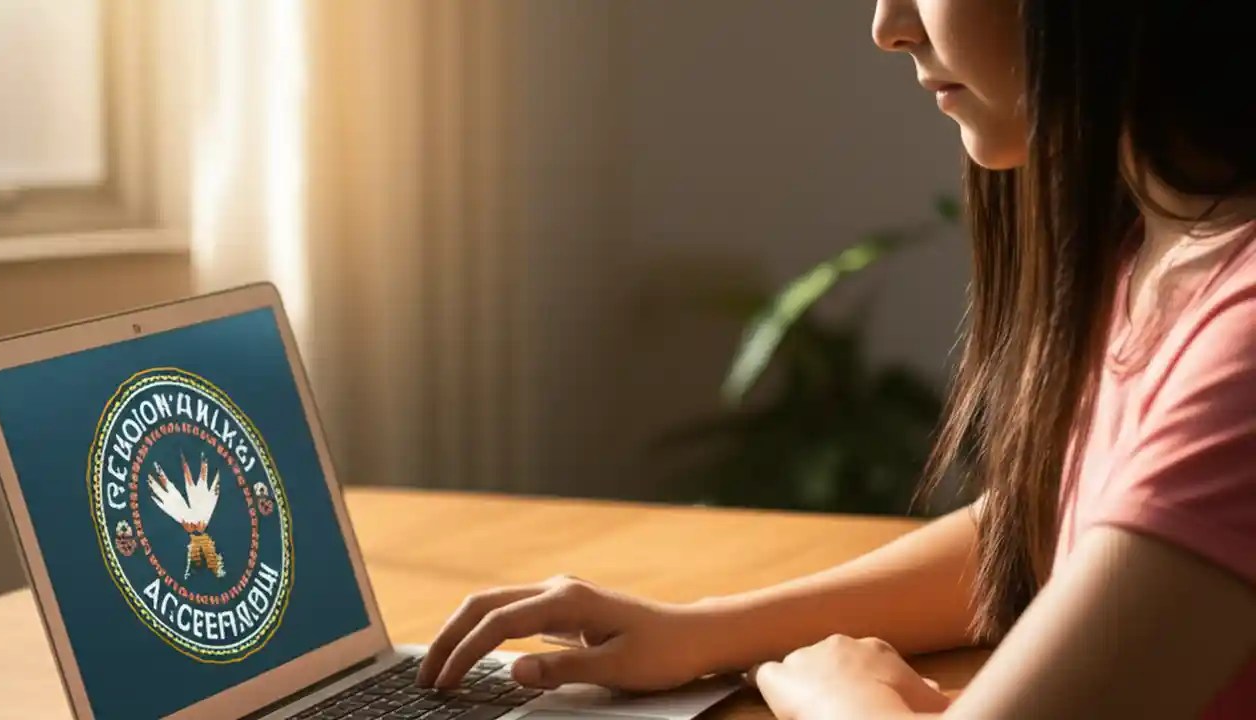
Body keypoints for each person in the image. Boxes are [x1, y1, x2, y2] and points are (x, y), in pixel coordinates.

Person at [417, 0, 1256, 716]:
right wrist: (702, 631)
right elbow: (1052, 523)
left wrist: (841, 696)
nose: (887, 27)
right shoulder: (1163, 241)